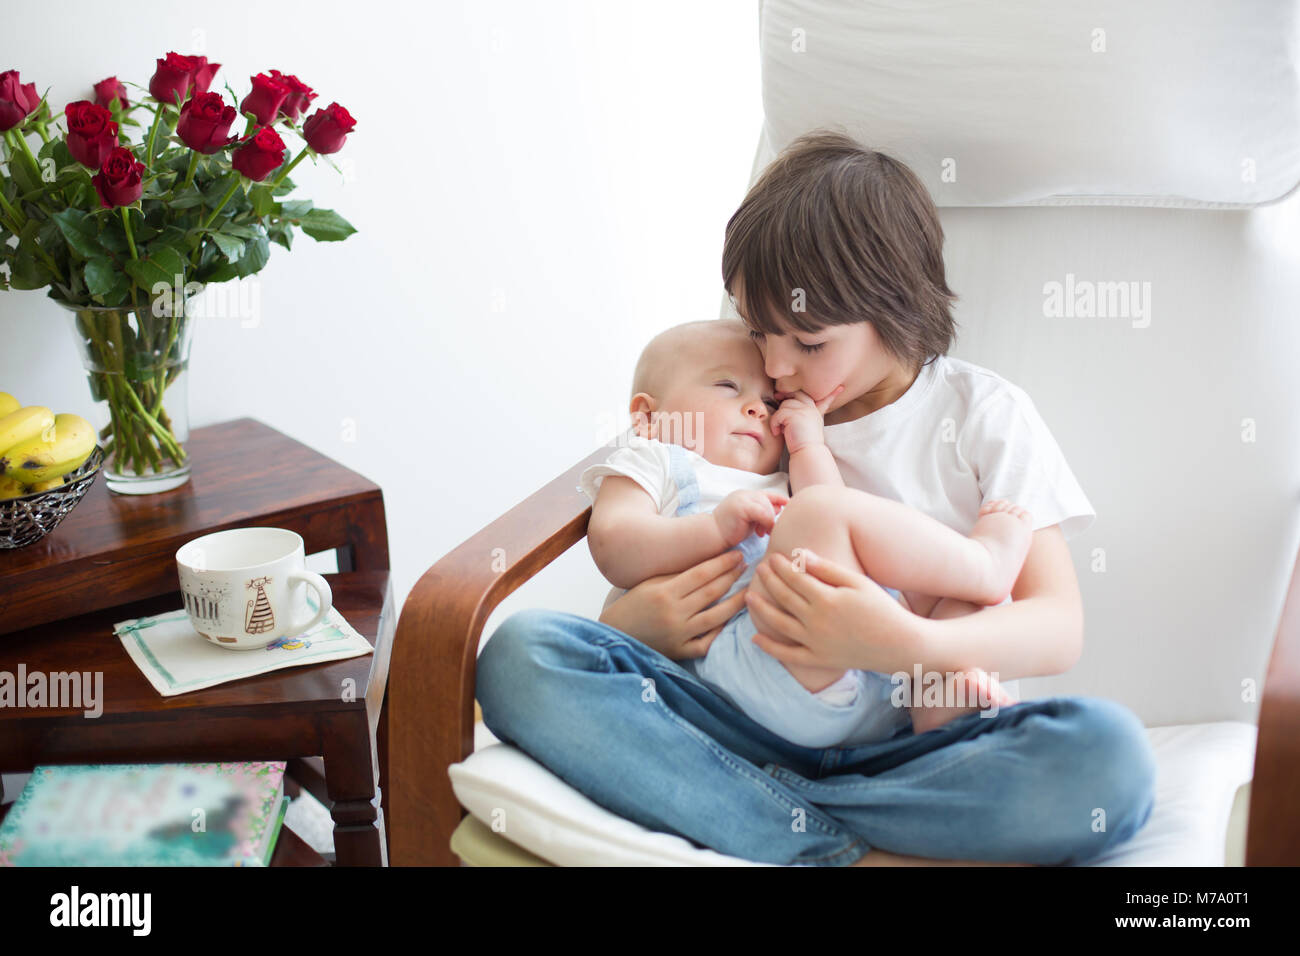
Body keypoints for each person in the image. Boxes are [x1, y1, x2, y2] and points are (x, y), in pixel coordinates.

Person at [476, 129, 1157, 866]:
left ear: (893, 309)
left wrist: (906, 646)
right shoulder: (749, 409)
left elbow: (1057, 627)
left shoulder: (984, 416)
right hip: (729, 718)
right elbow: (666, 528)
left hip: (911, 749)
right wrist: (636, 625)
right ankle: (834, 848)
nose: (773, 368)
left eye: (807, 342)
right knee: (522, 655)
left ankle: (762, 817)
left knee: (1108, 759)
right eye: (759, 331)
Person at [579, 318, 1028, 748]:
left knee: (954, 601)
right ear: (648, 415)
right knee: (817, 515)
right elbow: (614, 544)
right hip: (753, 662)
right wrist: (713, 528)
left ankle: (938, 707)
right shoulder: (654, 457)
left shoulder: (781, 475)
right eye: (727, 386)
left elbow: (840, 519)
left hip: (869, 660)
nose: (757, 408)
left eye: (769, 402)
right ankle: (984, 563)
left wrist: (808, 447)